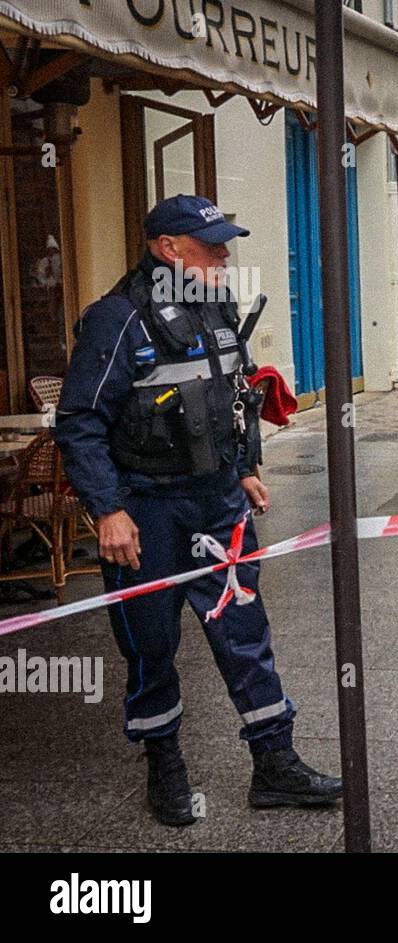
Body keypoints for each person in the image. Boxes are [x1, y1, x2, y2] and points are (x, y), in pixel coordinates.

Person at [53, 195, 343, 827]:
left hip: (217, 505)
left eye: (223, 244)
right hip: (146, 511)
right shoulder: (116, 320)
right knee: (151, 645)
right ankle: (166, 767)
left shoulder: (217, 308)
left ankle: (275, 764)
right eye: (211, 245)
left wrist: (243, 467)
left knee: (245, 635)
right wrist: (107, 511)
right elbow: (79, 422)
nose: (224, 254)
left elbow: (233, 396)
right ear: (168, 249)